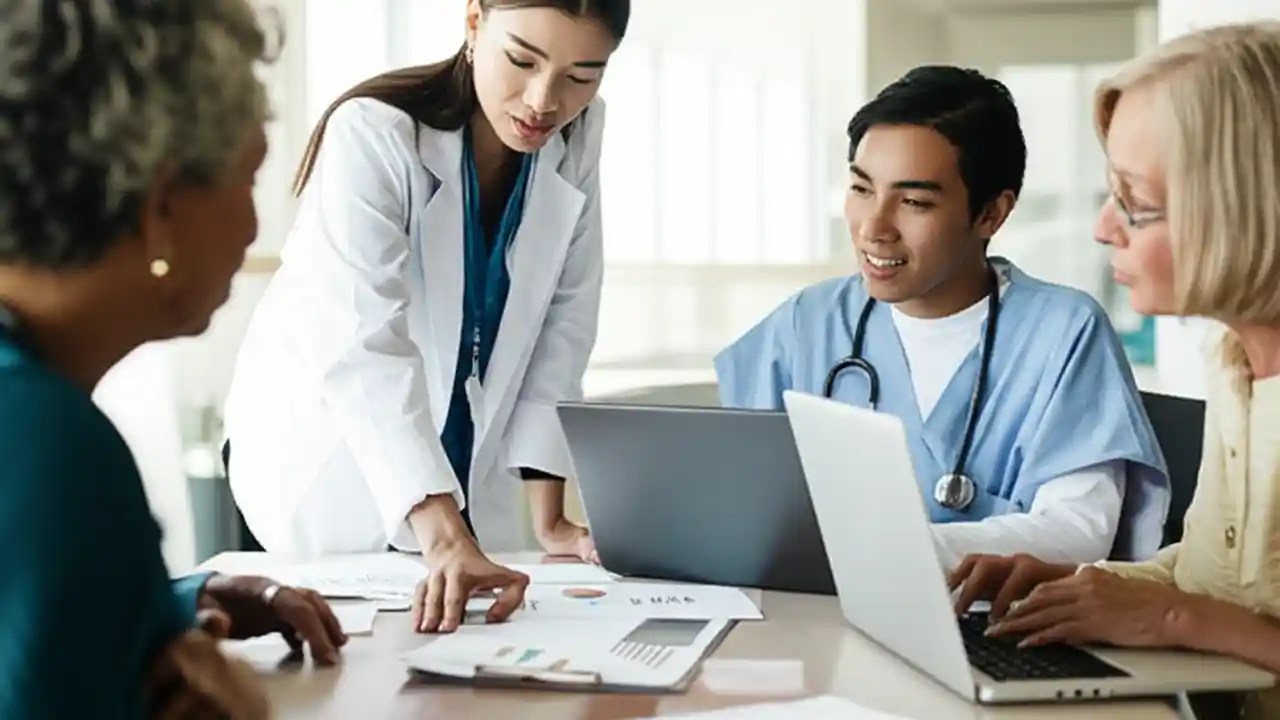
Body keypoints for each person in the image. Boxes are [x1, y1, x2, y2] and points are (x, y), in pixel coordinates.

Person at [223, 0, 629, 632]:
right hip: (329, 465)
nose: (543, 100)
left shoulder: (577, 136)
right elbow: (364, 346)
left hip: (460, 477)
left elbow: (565, 323)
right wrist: (443, 538)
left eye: (582, 75)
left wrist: (549, 518)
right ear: (473, 22)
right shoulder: (374, 134)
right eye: (522, 60)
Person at [0, 1, 346, 717]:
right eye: (250, 177)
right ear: (160, 204)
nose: (255, 228)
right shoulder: (52, 445)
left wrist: (158, 602)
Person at [949, 22, 1280, 720]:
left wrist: (1174, 620)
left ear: (1242, 207)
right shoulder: (1233, 368)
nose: (1104, 227)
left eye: (1133, 200)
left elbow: (1193, 610)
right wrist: (1076, 581)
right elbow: (1214, 580)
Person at [716, 66, 1169, 572]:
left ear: (991, 215)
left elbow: (1078, 530)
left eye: (913, 202)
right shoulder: (807, 322)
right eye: (862, 189)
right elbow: (737, 498)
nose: (874, 227)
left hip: (996, 632)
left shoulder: (1063, 332)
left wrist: (891, 553)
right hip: (817, 619)